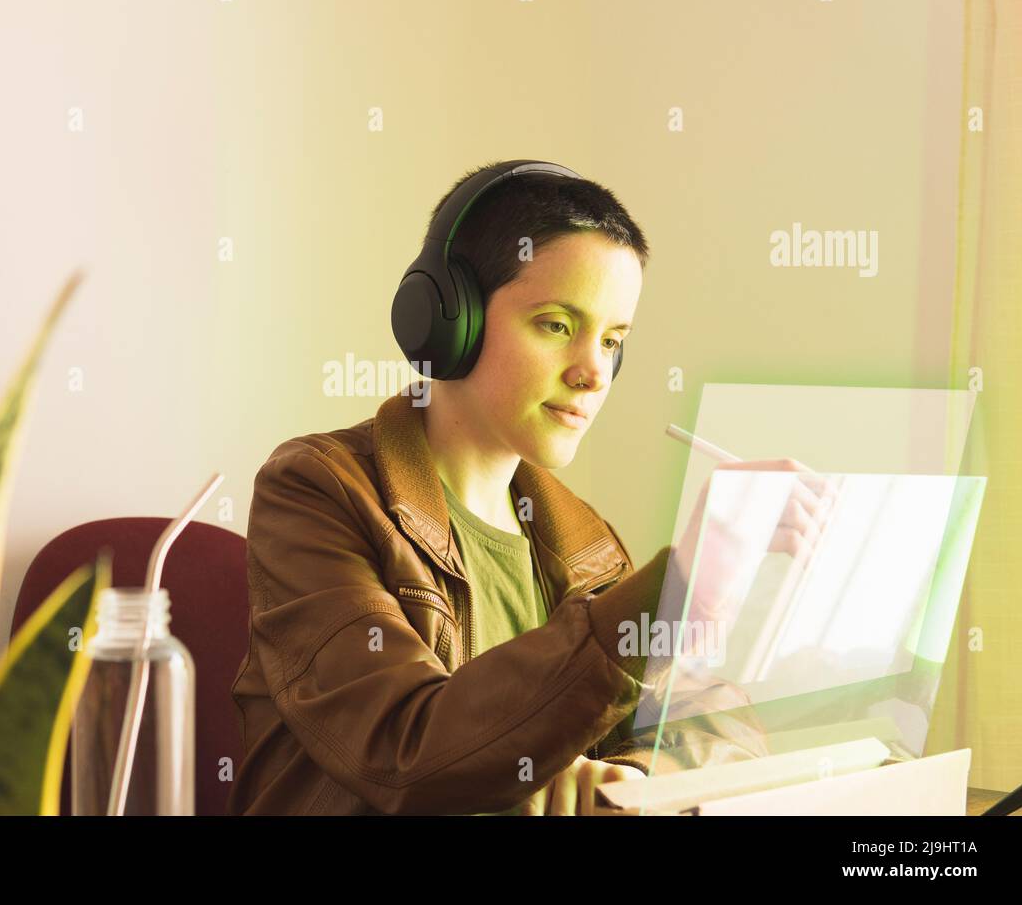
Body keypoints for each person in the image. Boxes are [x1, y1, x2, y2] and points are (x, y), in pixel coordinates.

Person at [227, 160, 828, 815]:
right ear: (446, 320)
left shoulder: (582, 542)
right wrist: (676, 586)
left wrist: (632, 776)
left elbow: (721, 725)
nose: (593, 371)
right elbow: (403, 752)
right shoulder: (318, 491)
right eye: (557, 325)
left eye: (613, 340)